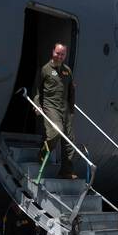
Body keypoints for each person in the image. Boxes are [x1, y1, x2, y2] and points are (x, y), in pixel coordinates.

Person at [35, 43, 78, 179]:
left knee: (69, 141)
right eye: (57, 53)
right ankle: (42, 155)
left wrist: (71, 109)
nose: (59, 56)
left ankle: (66, 172)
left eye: (62, 54)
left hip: (64, 108)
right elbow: (37, 90)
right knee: (56, 131)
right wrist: (37, 104)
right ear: (52, 51)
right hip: (50, 106)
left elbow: (71, 90)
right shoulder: (45, 69)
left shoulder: (67, 71)